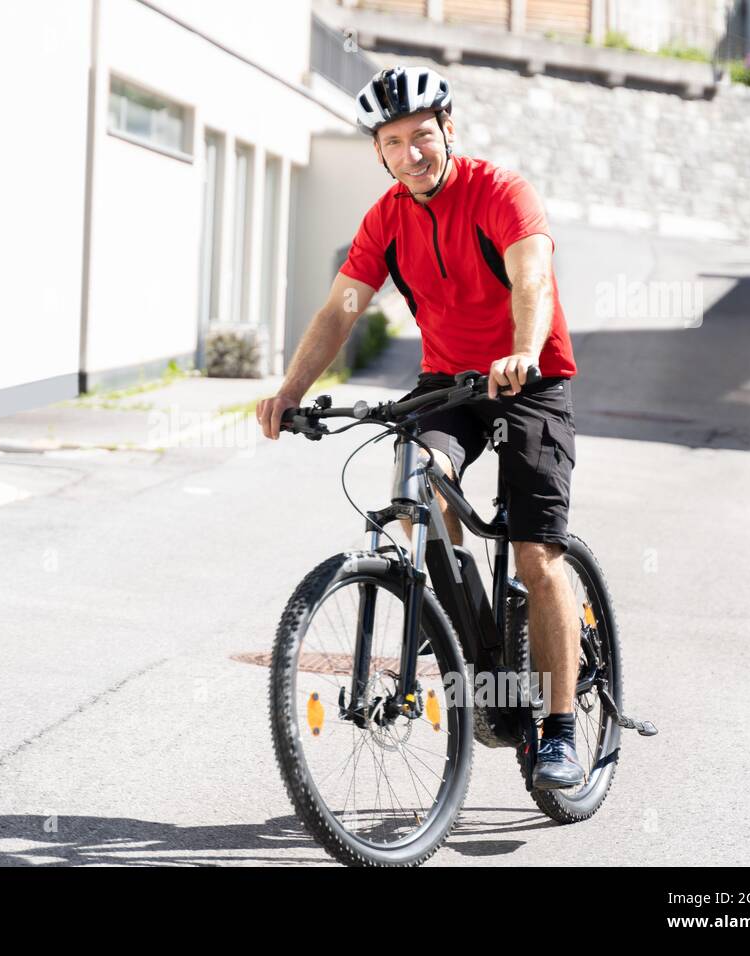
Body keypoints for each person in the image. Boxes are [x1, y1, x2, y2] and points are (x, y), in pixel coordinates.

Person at [255, 65, 584, 789]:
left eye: (423, 137)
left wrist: (523, 350)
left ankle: (559, 729)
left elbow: (532, 277)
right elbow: (342, 309)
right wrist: (290, 391)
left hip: (532, 378)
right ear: (380, 150)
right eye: (394, 142)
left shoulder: (501, 192)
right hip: (449, 384)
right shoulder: (386, 220)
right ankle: (474, 638)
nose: (411, 154)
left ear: (449, 132)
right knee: (421, 491)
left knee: (536, 554)